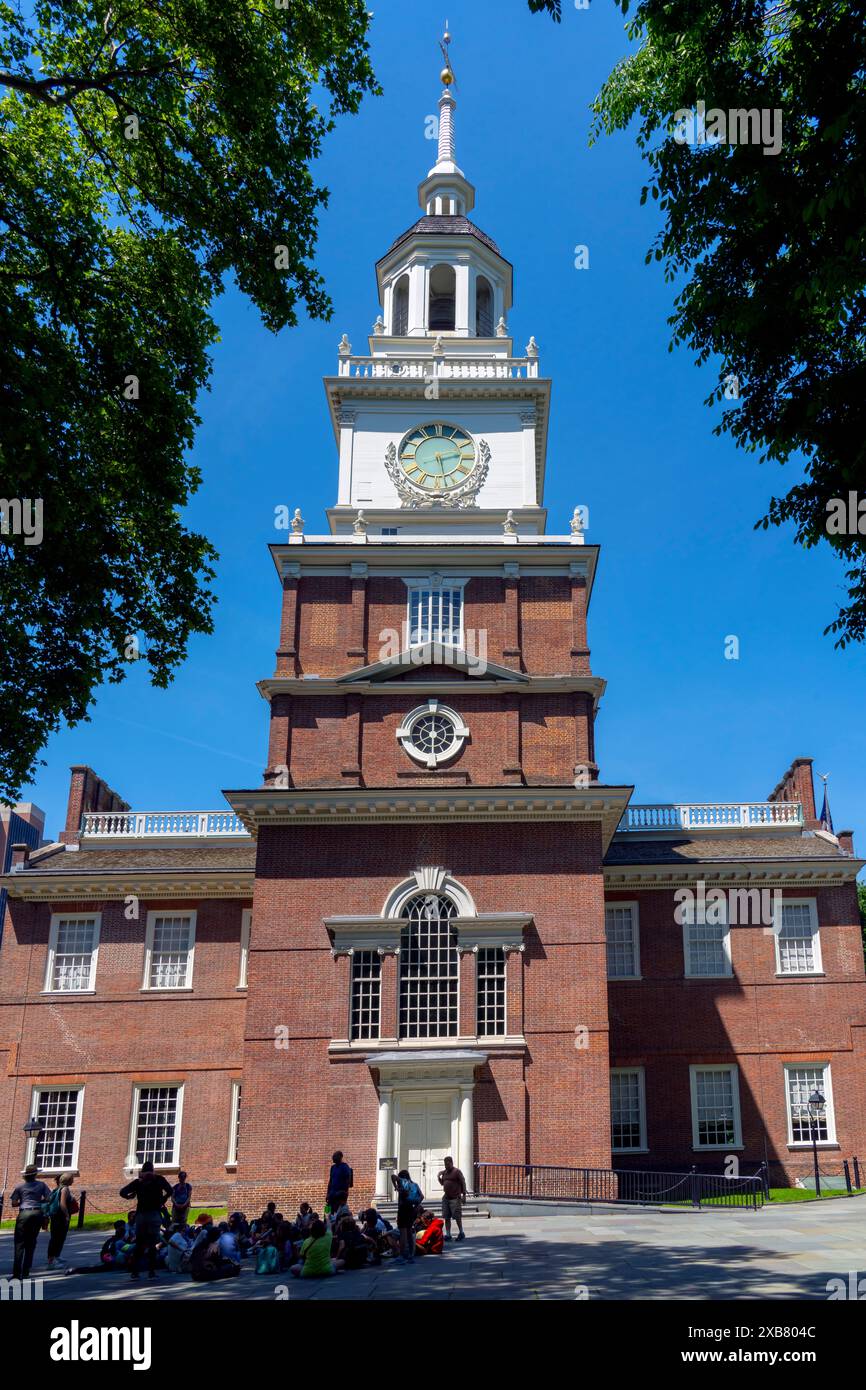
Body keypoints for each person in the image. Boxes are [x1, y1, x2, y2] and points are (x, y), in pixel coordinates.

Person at [119, 1159, 174, 1280]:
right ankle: (151, 1271)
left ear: (143, 1171)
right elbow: (170, 1190)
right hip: (154, 1214)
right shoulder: (159, 1179)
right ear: (153, 1170)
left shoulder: (139, 1182)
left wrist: (130, 1196)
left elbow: (122, 1192)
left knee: (140, 1243)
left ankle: (135, 1272)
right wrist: (163, 1199)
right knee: (152, 1243)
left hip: (141, 1215)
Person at [9, 1164, 52, 1279]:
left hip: (24, 1213)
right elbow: (49, 1198)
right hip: (37, 1213)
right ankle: (26, 1271)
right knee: (31, 1243)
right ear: (35, 1175)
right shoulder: (42, 1185)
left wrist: (22, 1201)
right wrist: (39, 1200)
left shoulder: (19, 1187)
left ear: (25, 1176)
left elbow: (13, 1203)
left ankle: (16, 1274)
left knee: (19, 1244)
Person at [66, 1221, 131, 1274]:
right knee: (97, 1269)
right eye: (122, 1228)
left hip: (118, 1259)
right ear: (118, 1229)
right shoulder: (113, 1241)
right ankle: (76, 1270)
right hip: (112, 1260)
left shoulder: (126, 1237)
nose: (124, 1230)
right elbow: (106, 1253)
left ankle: (76, 1270)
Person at [391, 1169, 424, 1264]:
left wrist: (396, 1186)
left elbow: (392, 1176)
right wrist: (416, 1206)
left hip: (403, 1209)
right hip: (411, 1210)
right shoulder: (414, 1184)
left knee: (403, 1233)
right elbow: (422, 1196)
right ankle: (411, 1255)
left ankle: (402, 1256)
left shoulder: (402, 1181)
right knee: (410, 1232)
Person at [46, 1171, 78, 1268]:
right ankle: (51, 1262)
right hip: (60, 1217)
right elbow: (62, 1204)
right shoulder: (65, 1189)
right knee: (56, 1238)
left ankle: (56, 1256)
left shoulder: (58, 1188)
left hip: (56, 1216)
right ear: (68, 1180)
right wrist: (67, 1215)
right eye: (72, 1179)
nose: (73, 1180)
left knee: (59, 1237)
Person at [437, 1155, 468, 1241]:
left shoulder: (457, 1172)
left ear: (451, 1163)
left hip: (455, 1198)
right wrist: (438, 1177)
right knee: (446, 1216)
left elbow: (463, 1182)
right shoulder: (445, 1173)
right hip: (446, 1197)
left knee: (457, 1216)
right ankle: (448, 1234)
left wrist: (464, 1196)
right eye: (445, 1164)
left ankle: (461, 1232)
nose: (446, 1166)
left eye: (447, 1164)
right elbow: (442, 1183)